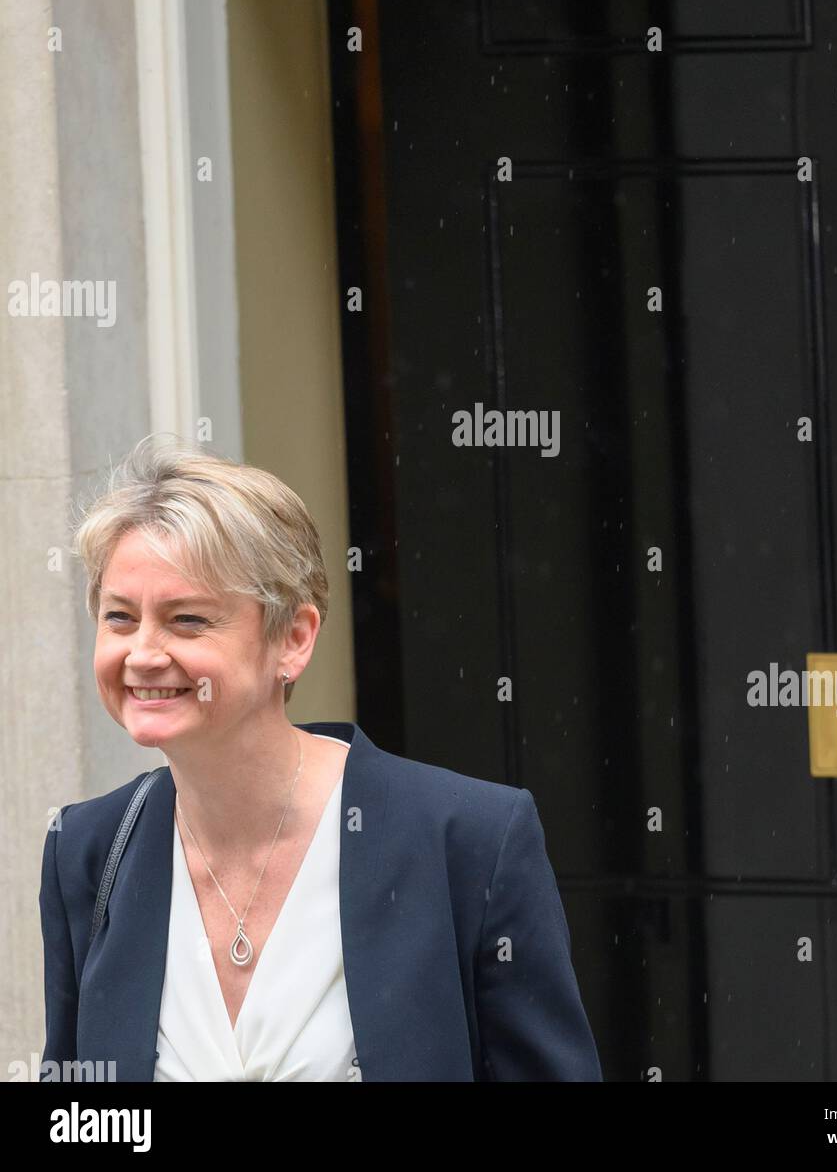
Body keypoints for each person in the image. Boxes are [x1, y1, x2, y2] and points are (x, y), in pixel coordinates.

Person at [39, 436, 602, 1082]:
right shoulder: (85, 852)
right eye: (119, 618)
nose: (142, 652)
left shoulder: (470, 839)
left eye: (187, 619)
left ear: (294, 639)